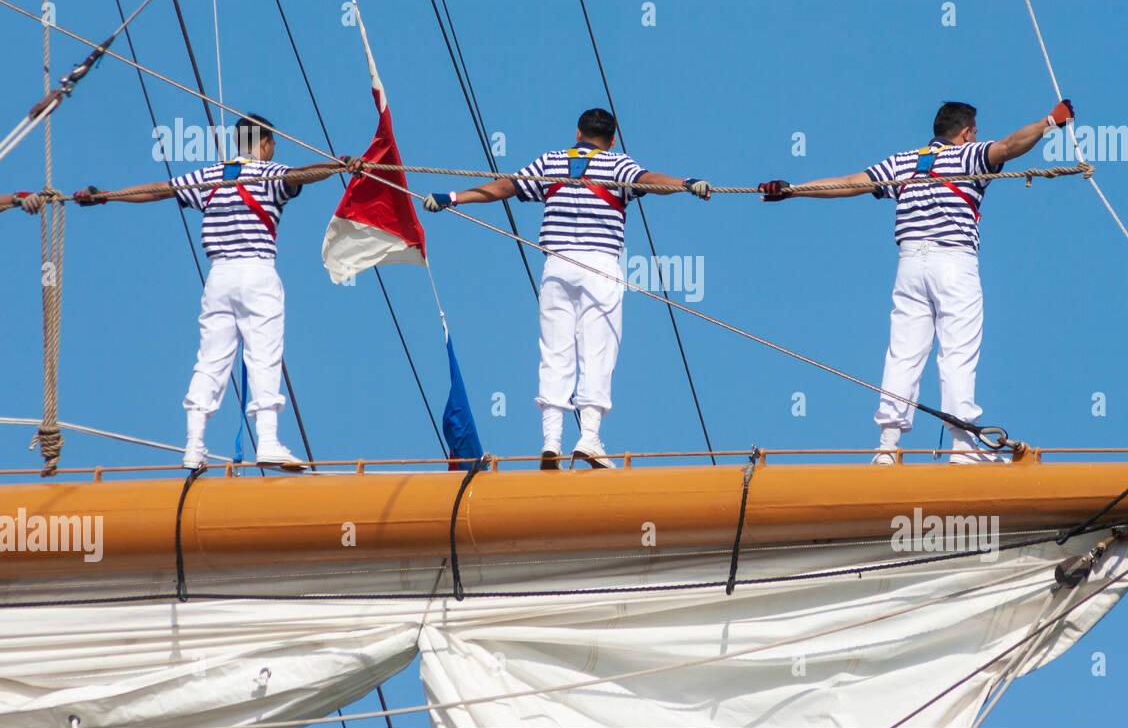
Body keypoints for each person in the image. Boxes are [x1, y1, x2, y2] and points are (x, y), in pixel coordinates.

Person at [759, 99, 1074, 463]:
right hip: (953, 262)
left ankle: (887, 447)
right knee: (957, 351)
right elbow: (1009, 147)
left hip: (910, 266)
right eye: (975, 132)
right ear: (966, 132)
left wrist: (794, 188)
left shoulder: (903, 162)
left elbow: (849, 183)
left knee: (904, 353)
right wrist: (1051, 121)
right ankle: (962, 447)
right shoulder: (969, 155)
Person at [424, 107, 711, 469]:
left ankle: (550, 441)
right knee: (598, 350)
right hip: (600, 267)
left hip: (557, 267)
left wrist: (453, 197)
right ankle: (589, 438)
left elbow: (505, 187)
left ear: (577, 134)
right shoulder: (618, 165)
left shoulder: (551, 162)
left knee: (555, 352)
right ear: (612, 141)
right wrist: (686, 184)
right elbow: (648, 179)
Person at [74, 115, 359, 470]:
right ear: (266, 143)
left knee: (210, 360)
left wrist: (107, 197)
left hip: (218, 278)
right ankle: (267, 440)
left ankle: (194, 444)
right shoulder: (267, 174)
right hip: (257, 272)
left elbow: (159, 190)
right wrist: (338, 166)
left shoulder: (208, 177)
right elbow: (299, 175)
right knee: (264, 355)